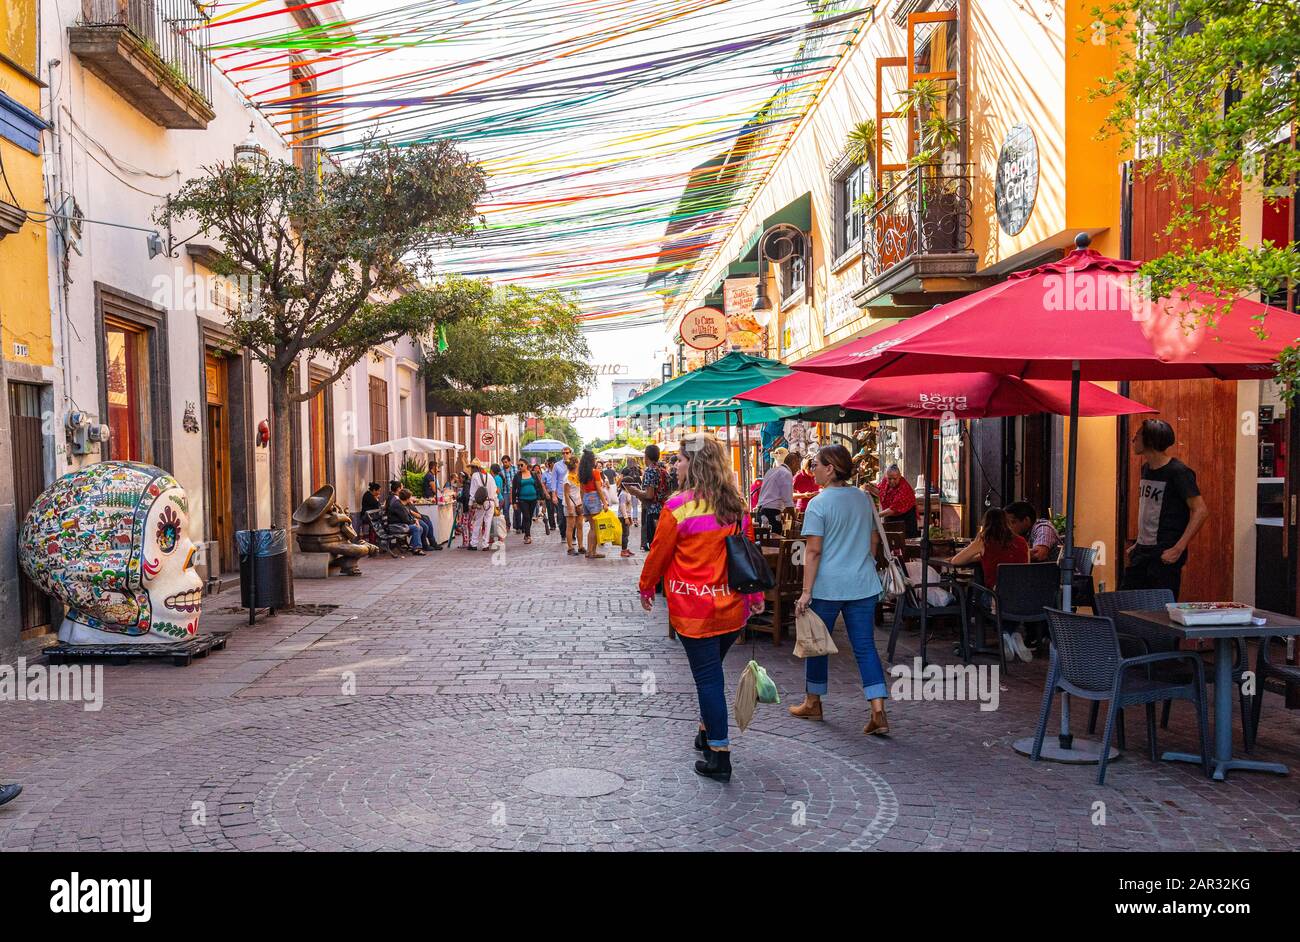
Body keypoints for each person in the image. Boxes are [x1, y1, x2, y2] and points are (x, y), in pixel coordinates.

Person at [639, 433, 764, 783]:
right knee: (711, 671)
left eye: (679, 459)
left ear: (694, 463)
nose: (675, 465)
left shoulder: (678, 507)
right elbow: (746, 555)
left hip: (694, 610)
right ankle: (705, 732)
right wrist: (754, 597)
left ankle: (720, 754)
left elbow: (659, 553)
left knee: (708, 679)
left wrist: (646, 586)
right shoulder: (736, 506)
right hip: (731, 609)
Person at [789, 444, 890, 736]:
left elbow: (813, 552)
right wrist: (864, 563)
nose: (813, 470)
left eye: (816, 465)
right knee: (865, 647)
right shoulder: (863, 498)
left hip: (828, 586)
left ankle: (813, 701)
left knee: (817, 642)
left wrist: (806, 592)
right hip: (862, 584)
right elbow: (873, 540)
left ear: (830, 468)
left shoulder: (819, 504)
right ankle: (878, 708)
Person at [1122, 418, 1207, 598]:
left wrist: (1178, 548)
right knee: (1126, 602)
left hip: (1164, 552)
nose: (1133, 440)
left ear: (1150, 441)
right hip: (1142, 551)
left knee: (1159, 609)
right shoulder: (1146, 469)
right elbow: (1149, 509)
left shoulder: (1178, 472)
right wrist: (1139, 542)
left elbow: (1200, 510)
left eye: (1137, 436)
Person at [949, 507, 1030, 660]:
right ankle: (1012, 634)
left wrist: (981, 556)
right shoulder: (1022, 542)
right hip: (1023, 599)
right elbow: (1025, 568)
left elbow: (956, 560)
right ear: (1008, 523)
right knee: (1008, 599)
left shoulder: (984, 540)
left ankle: (1005, 635)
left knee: (976, 596)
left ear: (985, 524)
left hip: (995, 598)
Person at [755, 447, 799, 532]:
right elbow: (788, 500)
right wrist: (794, 518)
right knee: (774, 542)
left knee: (765, 541)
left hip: (761, 511)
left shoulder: (771, 471)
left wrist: (780, 511)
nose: (797, 470)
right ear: (793, 463)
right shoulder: (786, 473)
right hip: (770, 513)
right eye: (797, 467)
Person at [868, 464, 918, 537]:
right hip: (890, 518)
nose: (892, 481)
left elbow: (893, 509)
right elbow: (881, 493)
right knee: (889, 542)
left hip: (905, 520)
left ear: (899, 476)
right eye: (889, 478)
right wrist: (870, 489)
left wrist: (876, 515)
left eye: (894, 479)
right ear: (886, 476)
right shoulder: (885, 481)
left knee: (904, 543)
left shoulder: (904, 488)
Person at [578, 448, 609, 559]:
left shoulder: (581, 473)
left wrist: (582, 503)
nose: (596, 460)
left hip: (586, 497)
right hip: (594, 498)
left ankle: (589, 551)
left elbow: (581, 490)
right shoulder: (595, 472)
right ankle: (592, 552)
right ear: (591, 460)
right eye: (594, 458)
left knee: (592, 527)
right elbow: (599, 489)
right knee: (595, 528)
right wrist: (605, 503)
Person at [386, 487, 426, 556]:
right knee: (417, 528)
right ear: (407, 498)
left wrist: (415, 520)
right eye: (410, 497)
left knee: (420, 528)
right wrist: (415, 521)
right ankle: (416, 548)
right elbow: (406, 520)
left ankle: (412, 546)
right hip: (395, 526)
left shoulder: (402, 504)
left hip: (400, 524)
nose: (411, 499)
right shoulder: (398, 505)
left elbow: (407, 518)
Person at [469, 462, 498, 551]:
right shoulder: (490, 477)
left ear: (475, 468)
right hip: (491, 502)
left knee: (478, 522)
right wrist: (497, 504)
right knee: (488, 523)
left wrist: (470, 503)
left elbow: (473, 491)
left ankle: (474, 543)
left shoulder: (475, 476)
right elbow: (495, 491)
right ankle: (485, 544)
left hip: (481, 502)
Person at [512, 461, 542, 544]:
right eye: (518, 465)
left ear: (526, 465)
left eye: (521, 465)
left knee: (529, 517)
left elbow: (539, 486)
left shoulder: (533, 474)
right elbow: (514, 489)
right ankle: (528, 536)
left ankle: (526, 533)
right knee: (526, 516)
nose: (520, 467)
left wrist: (540, 498)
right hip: (522, 499)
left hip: (533, 499)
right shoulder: (517, 476)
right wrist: (514, 502)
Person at [564, 457, 585, 556]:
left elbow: (581, 490)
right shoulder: (567, 477)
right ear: (575, 464)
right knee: (570, 526)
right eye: (578, 462)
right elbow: (566, 494)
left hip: (579, 504)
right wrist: (569, 508)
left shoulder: (578, 476)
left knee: (580, 525)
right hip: (571, 504)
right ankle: (570, 548)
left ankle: (581, 546)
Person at [500, 456, 517, 532]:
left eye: (506, 462)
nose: (504, 464)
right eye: (503, 462)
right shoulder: (501, 470)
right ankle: (507, 525)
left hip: (515, 491)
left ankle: (516, 525)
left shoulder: (515, 468)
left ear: (510, 462)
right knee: (505, 510)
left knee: (516, 509)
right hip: (505, 492)